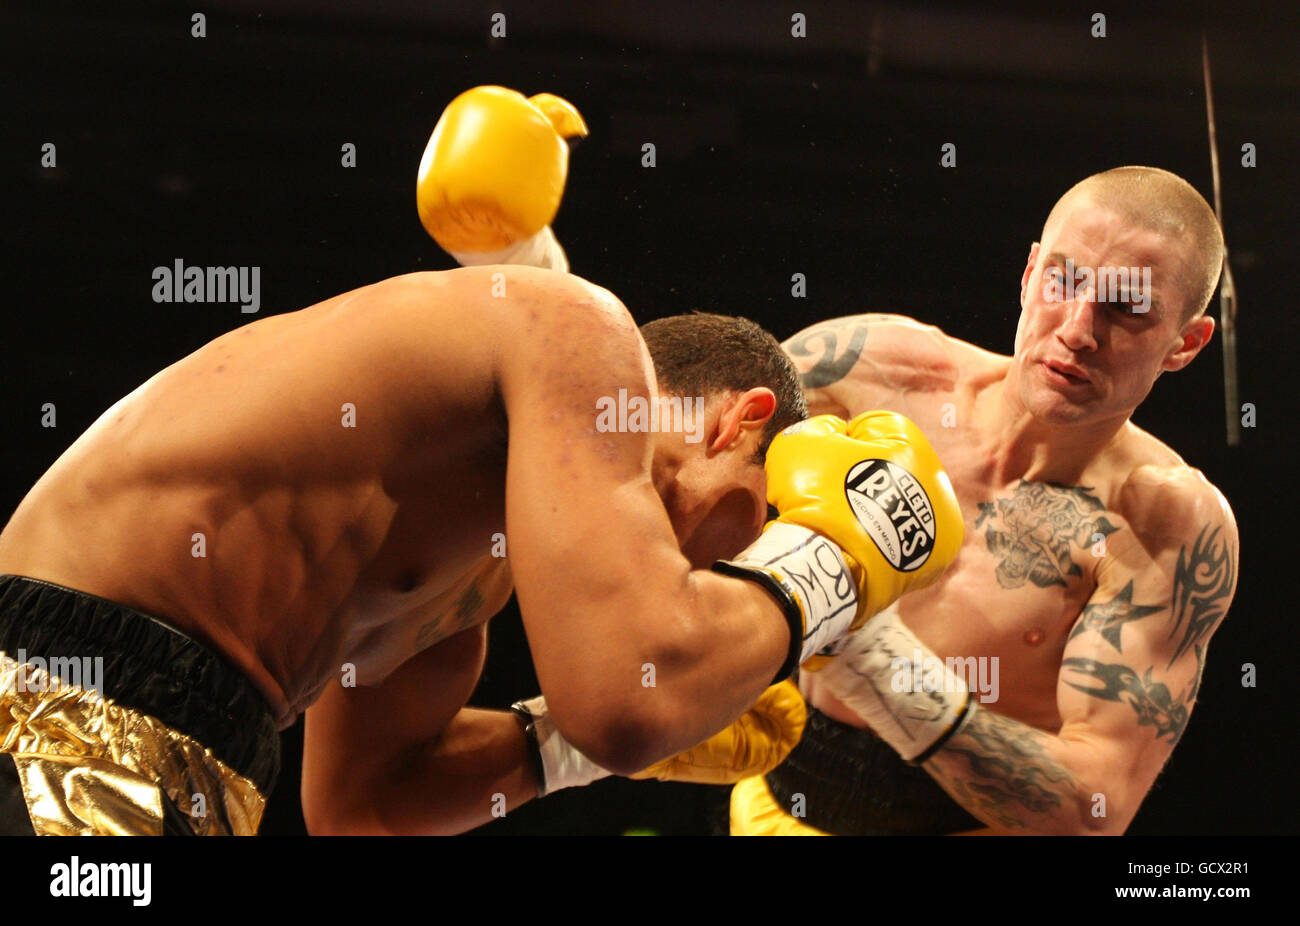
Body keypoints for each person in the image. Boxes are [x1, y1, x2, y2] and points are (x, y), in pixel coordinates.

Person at [730, 166, 1241, 836]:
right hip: (777, 795)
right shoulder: (870, 372)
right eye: (1063, 279)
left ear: (1186, 343)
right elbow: (671, 471)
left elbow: (1097, 804)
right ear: (1030, 274)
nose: (1079, 330)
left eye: (1128, 308)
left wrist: (879, 664)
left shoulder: (1167, 525)